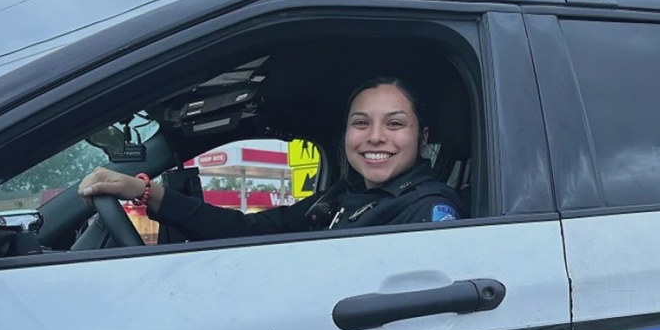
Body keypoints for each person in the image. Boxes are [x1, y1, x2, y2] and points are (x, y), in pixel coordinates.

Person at [77, 77, 465, 241]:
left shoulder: (428, 211)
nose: (375, 136)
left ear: (423, 137)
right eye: (361, 123)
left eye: (395, 124)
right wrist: (147, 193)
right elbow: (249, 230)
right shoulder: (342, 198)